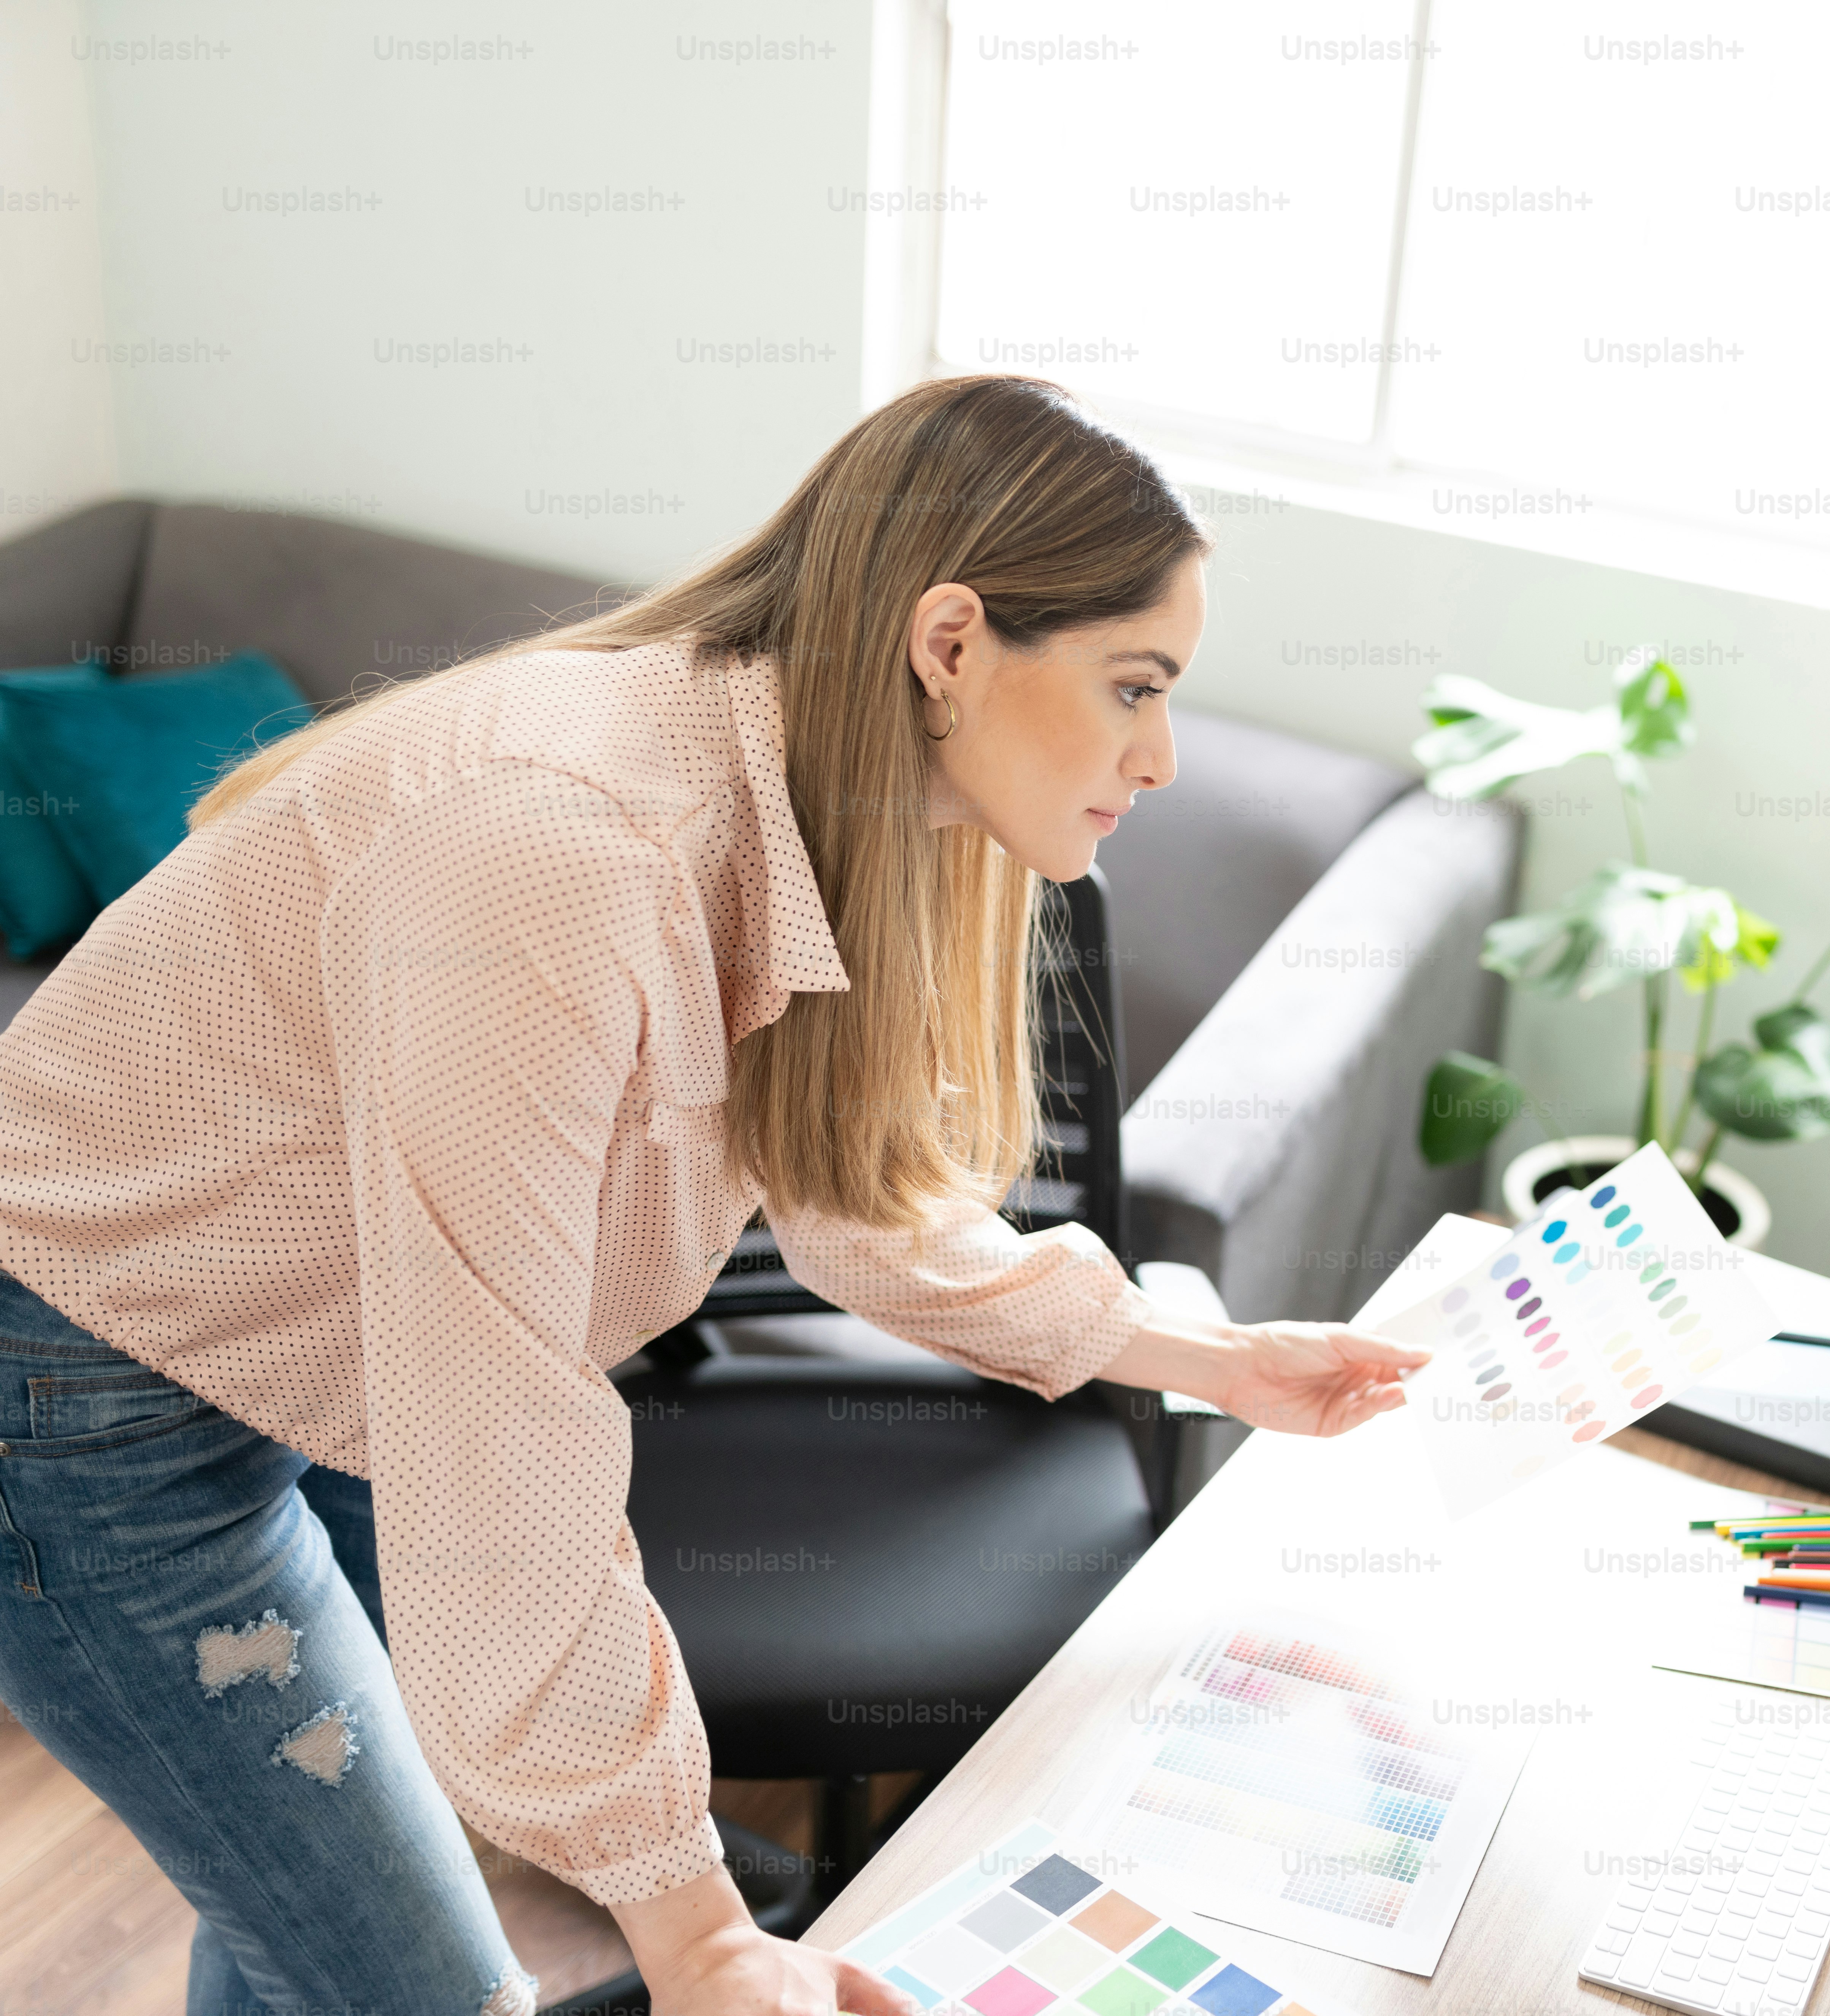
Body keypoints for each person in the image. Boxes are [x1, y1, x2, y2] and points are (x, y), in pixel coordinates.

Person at [0, 375, 1429, 2016]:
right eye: (1133, 687)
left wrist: (1208, 1358)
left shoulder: (841, 799)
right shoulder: (563, 844)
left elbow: (858, 1200)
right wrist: (693, 1929)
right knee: (410, 1978)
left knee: (297, 1899)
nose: (1159, 756)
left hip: (308, 1354)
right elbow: (500, 1406)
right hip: (79, 1395)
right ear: (951, 642)